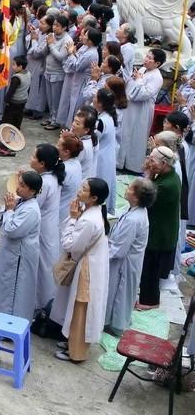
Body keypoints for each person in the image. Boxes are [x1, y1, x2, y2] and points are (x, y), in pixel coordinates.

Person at [52, 178, 110, 362]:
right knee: (77, 307)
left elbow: (71, 244)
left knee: (81, 309)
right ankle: (71, 342)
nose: (79, 190)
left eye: (84, 189)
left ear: (93, 197)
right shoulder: (92, 212)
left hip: (88, 269)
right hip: (90, 264)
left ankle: (76, 352)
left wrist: (72, 220)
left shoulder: (89, 220)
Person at [0, 171, 42, 322]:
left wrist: (9, 210)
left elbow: (13, 230)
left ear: (33, 191)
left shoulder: (31, 210)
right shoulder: (20, 200)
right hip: (9, 253)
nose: (18, 187)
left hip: (19, 258)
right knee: (2, 287)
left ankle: (11, 324)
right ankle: (0, 320)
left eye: (22, 185)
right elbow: (0, 222)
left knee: (13, 292)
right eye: (19, 183)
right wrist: (7, 209)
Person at [105, 178, 154, 335]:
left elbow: (118, 250)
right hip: (126, 261)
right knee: (118, 293)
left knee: (118, 293)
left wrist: (100, 255)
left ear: (137, 197)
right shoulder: (134, 212)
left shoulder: (134, 219)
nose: (126, 189)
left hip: (124, 264)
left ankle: (115, 324)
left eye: (131, 188)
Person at [137, 146, 181, 310]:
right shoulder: (168, 176)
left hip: (160, 235)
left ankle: (150, 301)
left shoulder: (167, 185)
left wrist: (147, 176)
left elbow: (144, 196)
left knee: (151, 269)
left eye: (152, 160)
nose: (149, 162)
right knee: (148, 268)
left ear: (164, 164)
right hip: (160, 229)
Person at [120, 49, 166, 173]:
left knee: (137, 136)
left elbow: (144, 94)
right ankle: (121, 161)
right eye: (147, 56)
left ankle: (133, 165)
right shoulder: (142, 70)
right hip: (131, 107)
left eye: (150, 58)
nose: (146, 59)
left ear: (157, 63)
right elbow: (131, 88)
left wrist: (139, 80)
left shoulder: (157, 77)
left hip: (143, 110)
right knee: (126, 132)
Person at [30, 144, 63, 312]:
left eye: (34, 157)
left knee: (41, 267)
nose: (31, 159)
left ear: (42, 164)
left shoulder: (44, 182)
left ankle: (40, 303)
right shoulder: (51, 178)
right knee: (44, 265)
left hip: (42, 228)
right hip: (49, 226)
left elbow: (32, 204)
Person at [93, 88, 119, 215]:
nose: (93, 99)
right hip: (108, 155)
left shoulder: (101, 121)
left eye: (95, 98)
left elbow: (94, 138)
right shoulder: (108, 116)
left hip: (101, 158)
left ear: (100, 103)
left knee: (100, 184)